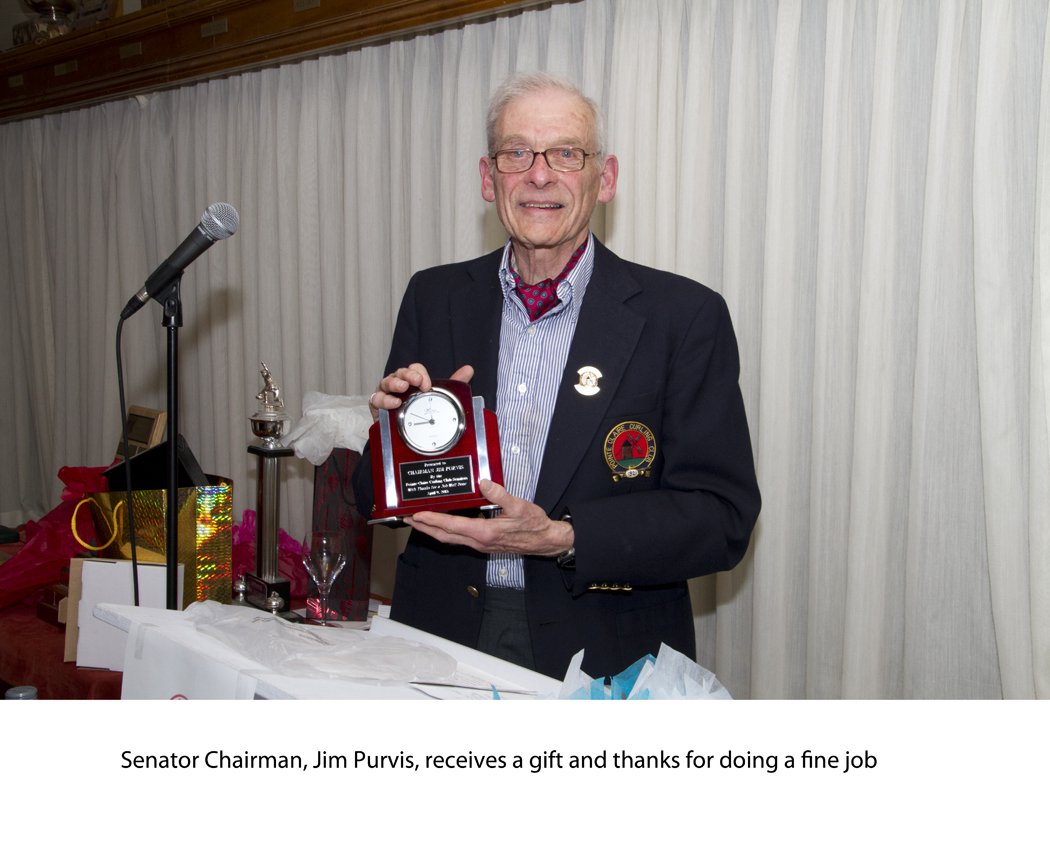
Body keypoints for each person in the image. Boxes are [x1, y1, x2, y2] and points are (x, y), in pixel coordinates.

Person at [352, 72, 760, 681]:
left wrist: (564, 537)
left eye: (567, 153)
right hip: (442, 632)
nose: (539, 174)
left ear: (607, 177)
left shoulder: (683, 317)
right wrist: (391, 444)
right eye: (517, 153)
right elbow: (373, 499)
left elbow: (722, 518)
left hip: (603, 650)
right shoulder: (434, 296)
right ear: (489, 180)